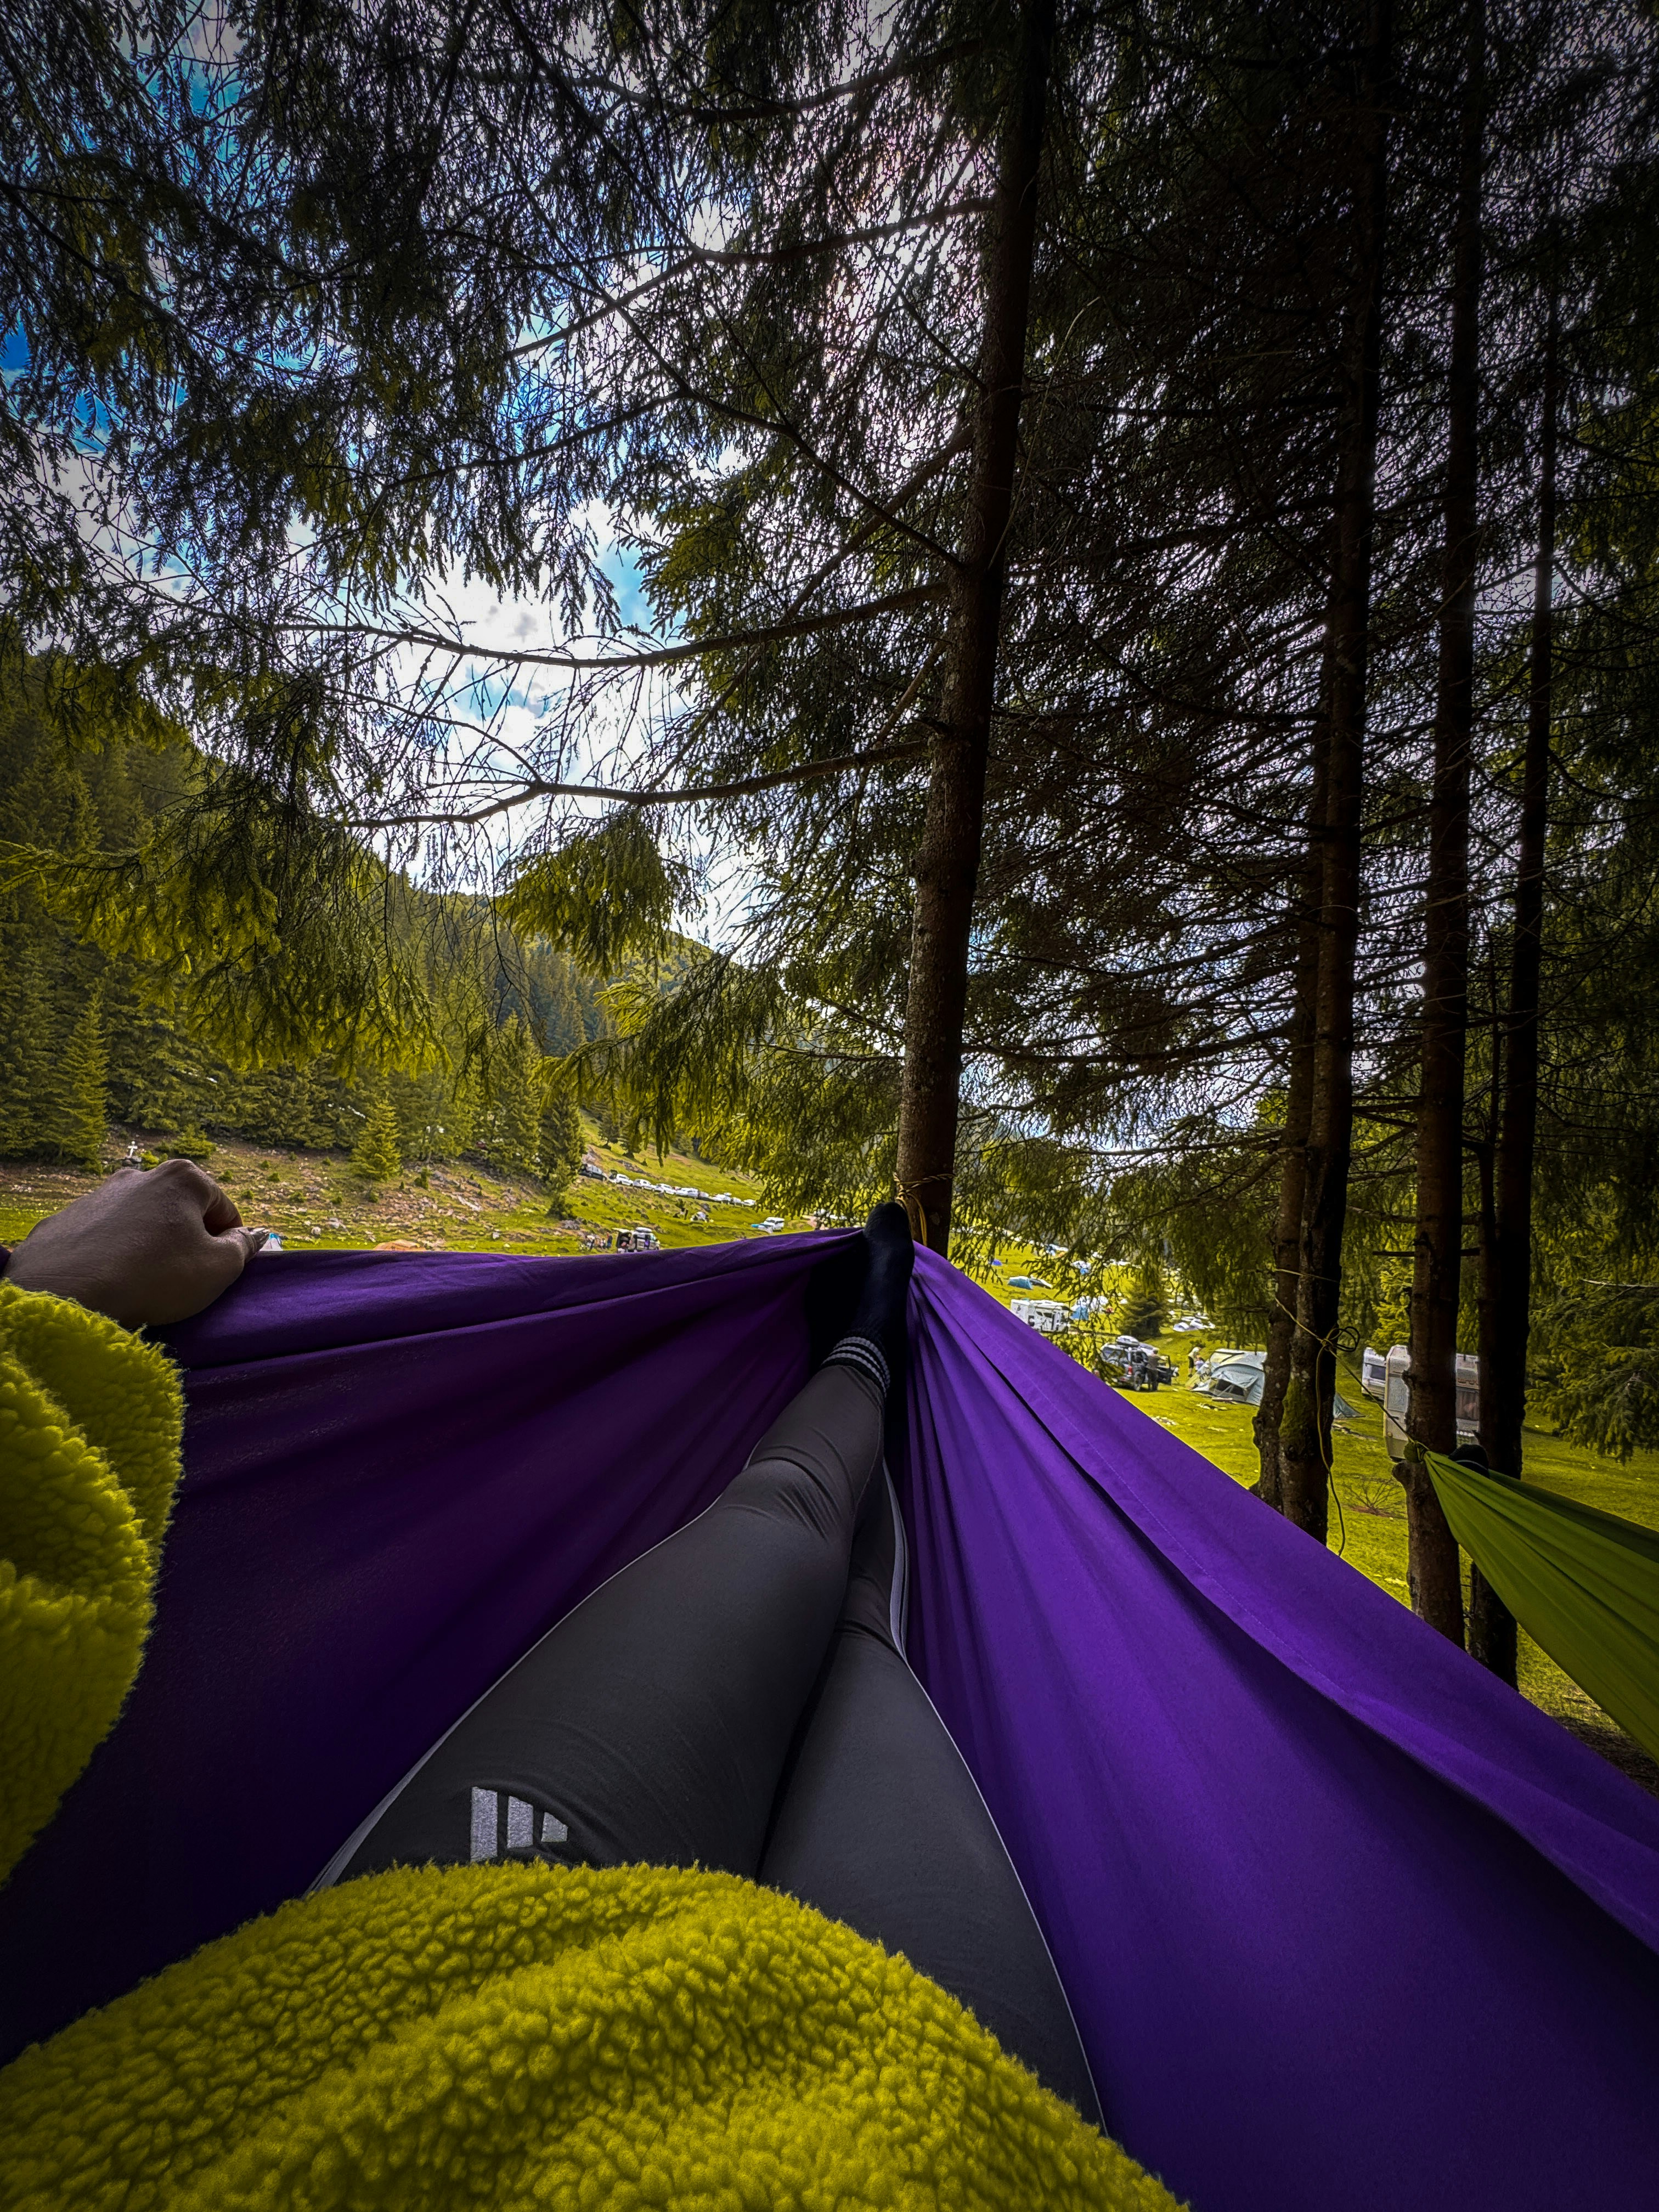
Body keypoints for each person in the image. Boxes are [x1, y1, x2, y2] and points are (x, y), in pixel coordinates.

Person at [0, 1163, 1180, 2209]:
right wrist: (43, 1311)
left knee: (783, 1531)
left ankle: (864, 1373)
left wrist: (48, 1307)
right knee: (842, 1611)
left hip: (405, 2030)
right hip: (940, 2145)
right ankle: (870, 1377)